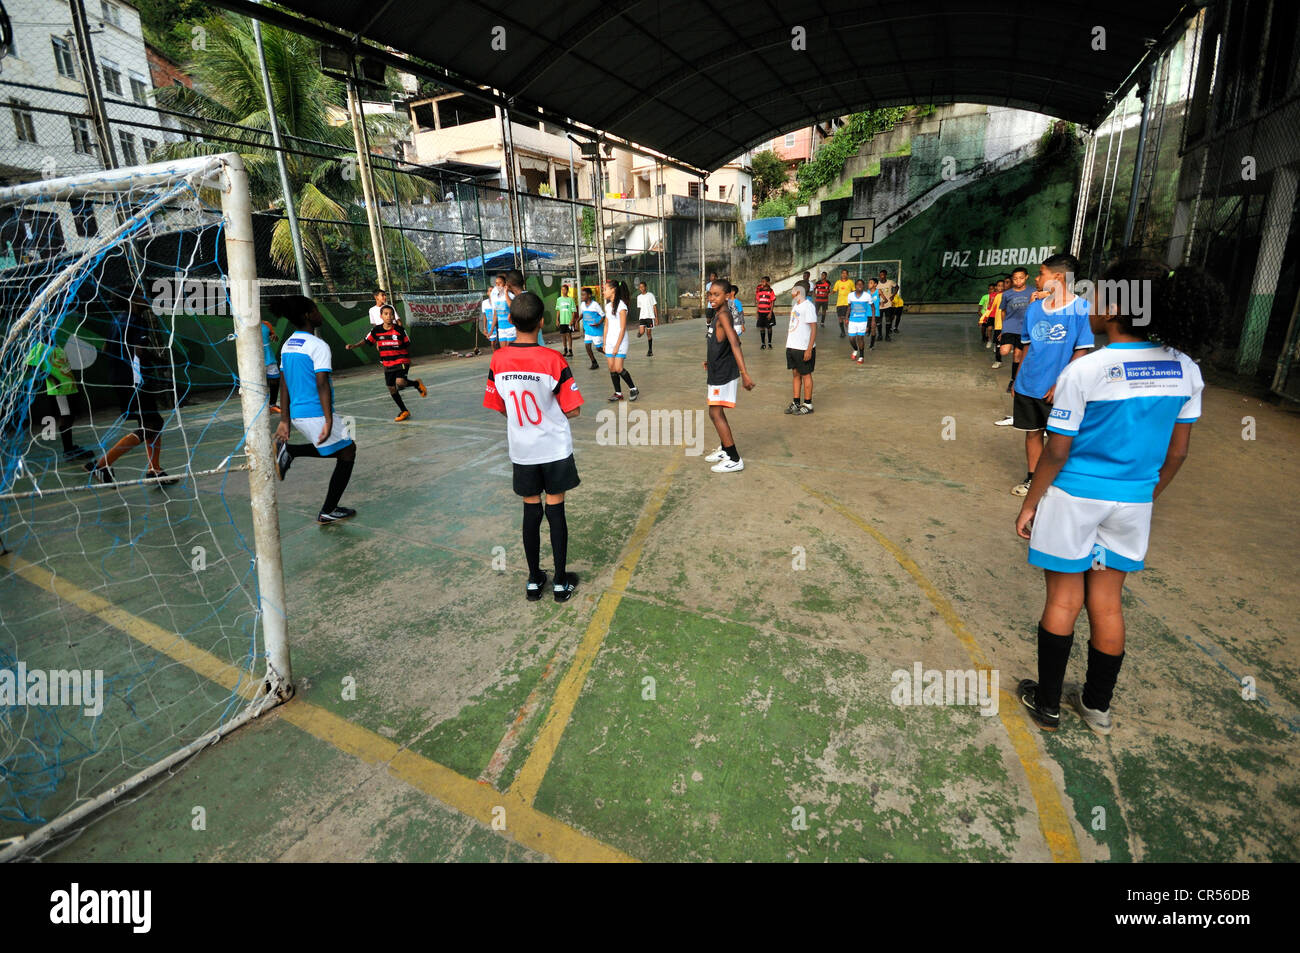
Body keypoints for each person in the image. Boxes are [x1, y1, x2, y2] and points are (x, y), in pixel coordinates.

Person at [1014, 260, 1222, 734]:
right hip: (1133, 502)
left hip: (1074, 499)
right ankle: (1097, 706)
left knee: (1064, 599)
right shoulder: (1185, 369)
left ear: (1113, 309)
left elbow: (1057, 449)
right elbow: (1179, 452)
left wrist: (1032, 502)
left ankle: (1046, 705)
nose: (1086, 306)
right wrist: (1145, 495)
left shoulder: (1087, 370)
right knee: (1107, 604)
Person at [483, 291, 582, 602]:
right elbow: (574, 409)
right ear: (543, 322)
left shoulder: (498, 359)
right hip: (553, 449)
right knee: (556, 509)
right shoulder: (553, 359)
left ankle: (534, 578)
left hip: (523, 450)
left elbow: (498, 404)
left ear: (510, 321)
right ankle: (561, 581)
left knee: (530, 510)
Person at [1010, 254, 1094, 497]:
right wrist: (1018, 378)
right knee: (1032, 432)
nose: (1037, 278)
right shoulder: (1034, 308)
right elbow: (1027, 346)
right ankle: (1033, 479)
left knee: (1060, 437)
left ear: (1057, 277)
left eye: (1041, 273)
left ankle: (1058, 482)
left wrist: (1062, 384)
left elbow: (1082, 352)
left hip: (1058, 389)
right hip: (1029, 384)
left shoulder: (1081, 309)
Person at [272, 295, 357, 523]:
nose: (320, 314)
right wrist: (329, 420)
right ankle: (328, 510)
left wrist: (285, 419)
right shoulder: (318, 345)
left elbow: (284, 383)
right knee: (348, 452)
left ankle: (291, 453)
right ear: (309, 315)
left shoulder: (288, 344)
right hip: (315, 413)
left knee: (343, 449)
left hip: (299, 414)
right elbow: (321, 384)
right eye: (317, 310)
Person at [84, 295, 177, 485]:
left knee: (153, 422)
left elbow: (105, 348)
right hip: (135, 379)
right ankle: (101, 465)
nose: (146, 298)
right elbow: (139, 351)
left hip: (120, 378)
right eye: (141, 296)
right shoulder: (137, 320)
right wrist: (159, 361)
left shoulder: (117, 320)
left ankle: (154, 470)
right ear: (132, 300)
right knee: (152, 424)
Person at [701, 279, 755, 473]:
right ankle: (725, 449)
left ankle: (734, 458)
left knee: (715, 412)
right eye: (710, 294)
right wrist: (711, 358)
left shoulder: (723, 315)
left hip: (723, 372)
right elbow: (720, 341)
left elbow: (734, 342)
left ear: (727, 296)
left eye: (716, 294)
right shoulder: (718, 314)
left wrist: (744, 373)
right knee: (714, 411)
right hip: (717, 367)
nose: (712, 298)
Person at [345, 303, 427, 421]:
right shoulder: (376, 330)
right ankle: (405, 408)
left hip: (401, 360)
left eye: (391, 314)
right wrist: (354, 346)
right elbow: (366, 340)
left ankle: (415, 385)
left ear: (394, 316)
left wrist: (400, 354)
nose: (388, 316)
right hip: (387, 363)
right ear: (381, 316)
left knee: (400, 382)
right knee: (392, 388)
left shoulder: (399, 330)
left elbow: (407, 344)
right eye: (386, 314)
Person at [25, 341, 93, 462]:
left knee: (71, 417)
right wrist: (51, 378)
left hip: (70, 387)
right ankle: (67, 451)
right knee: (65, 417)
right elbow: (29, 366)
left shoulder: (57, 345)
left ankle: (70, 447)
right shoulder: (39, 346)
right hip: (58, 391)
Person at [998, 266, 1035, 396]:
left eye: (1021, 278)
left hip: (1023, 328)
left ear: (1026, 277)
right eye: (1015, 279)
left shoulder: (1033, 291)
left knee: (1017, 356)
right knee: (1004, 351)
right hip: (1009, 326)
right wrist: (1003, 328)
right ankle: (1013, 345)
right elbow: (1002, 311)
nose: (1018, 281)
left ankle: (1014, 380)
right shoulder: (1007, 294)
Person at [784, 280, 817, 415]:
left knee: (806, 374)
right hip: (792, 346)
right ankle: (796, 402)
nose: (791, 292)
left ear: (799, 291)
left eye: (793, 289)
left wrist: (809, 349)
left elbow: (813, 329)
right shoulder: (796, 306)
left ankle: (808, 404)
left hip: (803, 348)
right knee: (796, 374)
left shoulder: (808, 306)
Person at [603, 279, 638, 401]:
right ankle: (618, 393)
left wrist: (617, 346)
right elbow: (606, 325)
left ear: (613, 290)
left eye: (605, 289)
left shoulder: (622, 306)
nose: (604, 292)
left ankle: (633, 388)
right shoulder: (607, 307)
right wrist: (604, 341)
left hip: (621, 341)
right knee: (612, 368)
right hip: (609, 341)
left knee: (618, 368)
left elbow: (623, 328)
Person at [845, 278, 872, 364]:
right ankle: (855, 349)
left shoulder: (867, 295)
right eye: (858, 284)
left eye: (861, 284)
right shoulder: (850, 295)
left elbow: (873, 307)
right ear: (855, 286)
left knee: (860, 338)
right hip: (852, 320)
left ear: (863, 286)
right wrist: (846, 318)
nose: (859, 286)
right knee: (851, 339)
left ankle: (861, 356)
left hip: (863, 321)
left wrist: (873, 320)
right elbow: (849, 307)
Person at [580, 287, 604, 369]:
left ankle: (611, 355)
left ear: (589, 295)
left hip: (596, 330)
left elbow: (603, 315)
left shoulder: (595, 305)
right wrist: (576, 321)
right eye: (581, 295)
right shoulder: (582, 305)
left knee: (599, 348)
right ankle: (594, 362)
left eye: (584, 295)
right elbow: (582, 314)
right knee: (587, 346)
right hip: (588, 330)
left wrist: (598, 323)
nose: (582, 296)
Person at [261, 318, 281, 414]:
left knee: (275, 380)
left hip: (269, 357)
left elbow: (273, 336)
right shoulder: (243, 324)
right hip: (254, 359)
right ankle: (260, 407)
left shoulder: (266, 324)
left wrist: (274, 337)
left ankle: (272, 405)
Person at [489, 273, 513, 349]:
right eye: (496, 283)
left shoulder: (510, 295)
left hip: (511, 328)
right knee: (503, 351)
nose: (498, 285)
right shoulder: (495, 298)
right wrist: (491, 330)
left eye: (500, 283)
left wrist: (506, 293)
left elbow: (514, 309)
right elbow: (495, 315)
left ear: (505, 284)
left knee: (511, 351)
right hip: (501, 329)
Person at [635, 280, 658, 357]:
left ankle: (650, 350)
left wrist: (656, 317)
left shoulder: (650, 295)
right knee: (641, 332)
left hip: (650, 317)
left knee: (648, 333)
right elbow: (640, 308)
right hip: (642, 317)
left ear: (645, 287)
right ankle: (640, 332)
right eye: (640, 287)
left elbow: (654, 306)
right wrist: (639, 318)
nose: (641, 288)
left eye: (642, 286)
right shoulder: (639, 297)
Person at [754, 276, 776, 349]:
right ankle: (763, 343)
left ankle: (769, 342)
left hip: (768, 313)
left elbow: (772, 302)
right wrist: (757, 312)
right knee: (762, 328)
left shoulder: (771, 291)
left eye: (764, 281)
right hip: (760, 312)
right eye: (762, 281)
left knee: (769, 328)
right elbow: (757, 301)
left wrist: (770, 313)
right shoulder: (759, 291)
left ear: (768, 282)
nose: (762, 283)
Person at [555, 283, 576, 357]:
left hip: (569, 321)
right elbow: (558, 310)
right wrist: (557, 320)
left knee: (569, 335)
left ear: (567, 290)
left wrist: (572, 320)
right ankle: (565, 350)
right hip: (562, 321)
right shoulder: (559, 300)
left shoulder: (571, 300)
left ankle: (570, 350)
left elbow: (574, 312)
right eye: (562, 290)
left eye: (565, 290)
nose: (563, 291)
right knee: (563, 336)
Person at [833, 268, 854, 338]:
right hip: (839, 303)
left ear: (847, 275)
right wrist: (829, 293)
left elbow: (854, 291)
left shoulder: (850, 282)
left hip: (847, 303)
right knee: (840, 318)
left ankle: (851, 332)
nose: (844, 274)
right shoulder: (838, 282)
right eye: (843, 273)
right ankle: (842, 332)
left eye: (845, 273)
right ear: (841, 274)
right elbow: (834, 290)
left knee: (846, 318)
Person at [876, 269, 897, 342]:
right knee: (879, 321)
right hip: (880, 305)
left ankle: (887, 336)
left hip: (888, 305)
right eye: (880, 275)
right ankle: (880, 335)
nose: (881, 276)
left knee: (888, 320)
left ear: (885, 275)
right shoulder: (877, 284)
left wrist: (893, 295)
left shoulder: (890, 282)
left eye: (882, 275)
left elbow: (897, 287)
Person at [979, 283, 996, 348]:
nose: (991, 290)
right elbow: (980, 307)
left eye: (992, 289)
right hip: (985, 314)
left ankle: (992, 339)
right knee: (983, 327)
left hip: (992, 315)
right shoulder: (985, 297)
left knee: (991, 328)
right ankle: (984, 336)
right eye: (990, 289)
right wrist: (981, 315)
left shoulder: (996, 296)